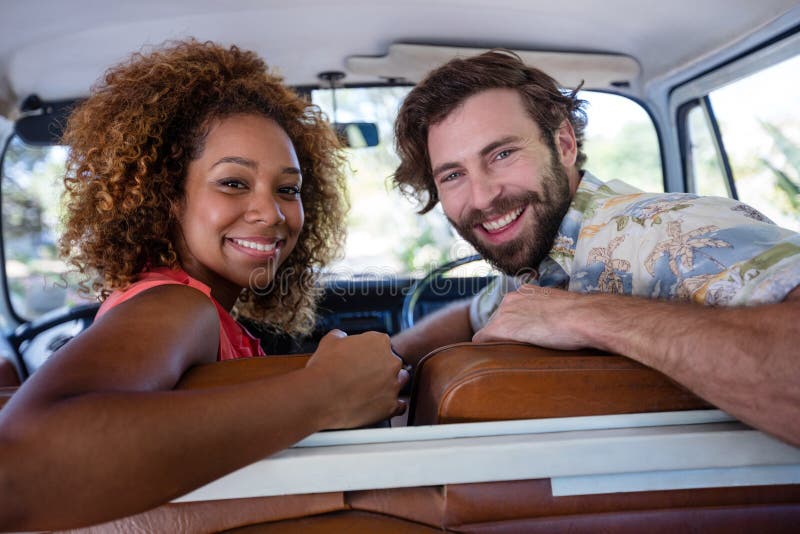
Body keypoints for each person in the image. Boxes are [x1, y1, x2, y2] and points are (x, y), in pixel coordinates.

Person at [0, 40, 408, 530]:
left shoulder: (204, 312)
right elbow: (21, 470)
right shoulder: (175, 305)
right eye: (234, 183)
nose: (272, 213)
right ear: (168, 195)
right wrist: (326, 393)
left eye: (288, 189)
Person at [390, 50, 800, 446]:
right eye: (453, 175)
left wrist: (583, 315)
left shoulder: (667, 231)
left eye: (502, 153)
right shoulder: (541, 254)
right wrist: (391, 360)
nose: (480, 197)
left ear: (565, 144)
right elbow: (473, 313)